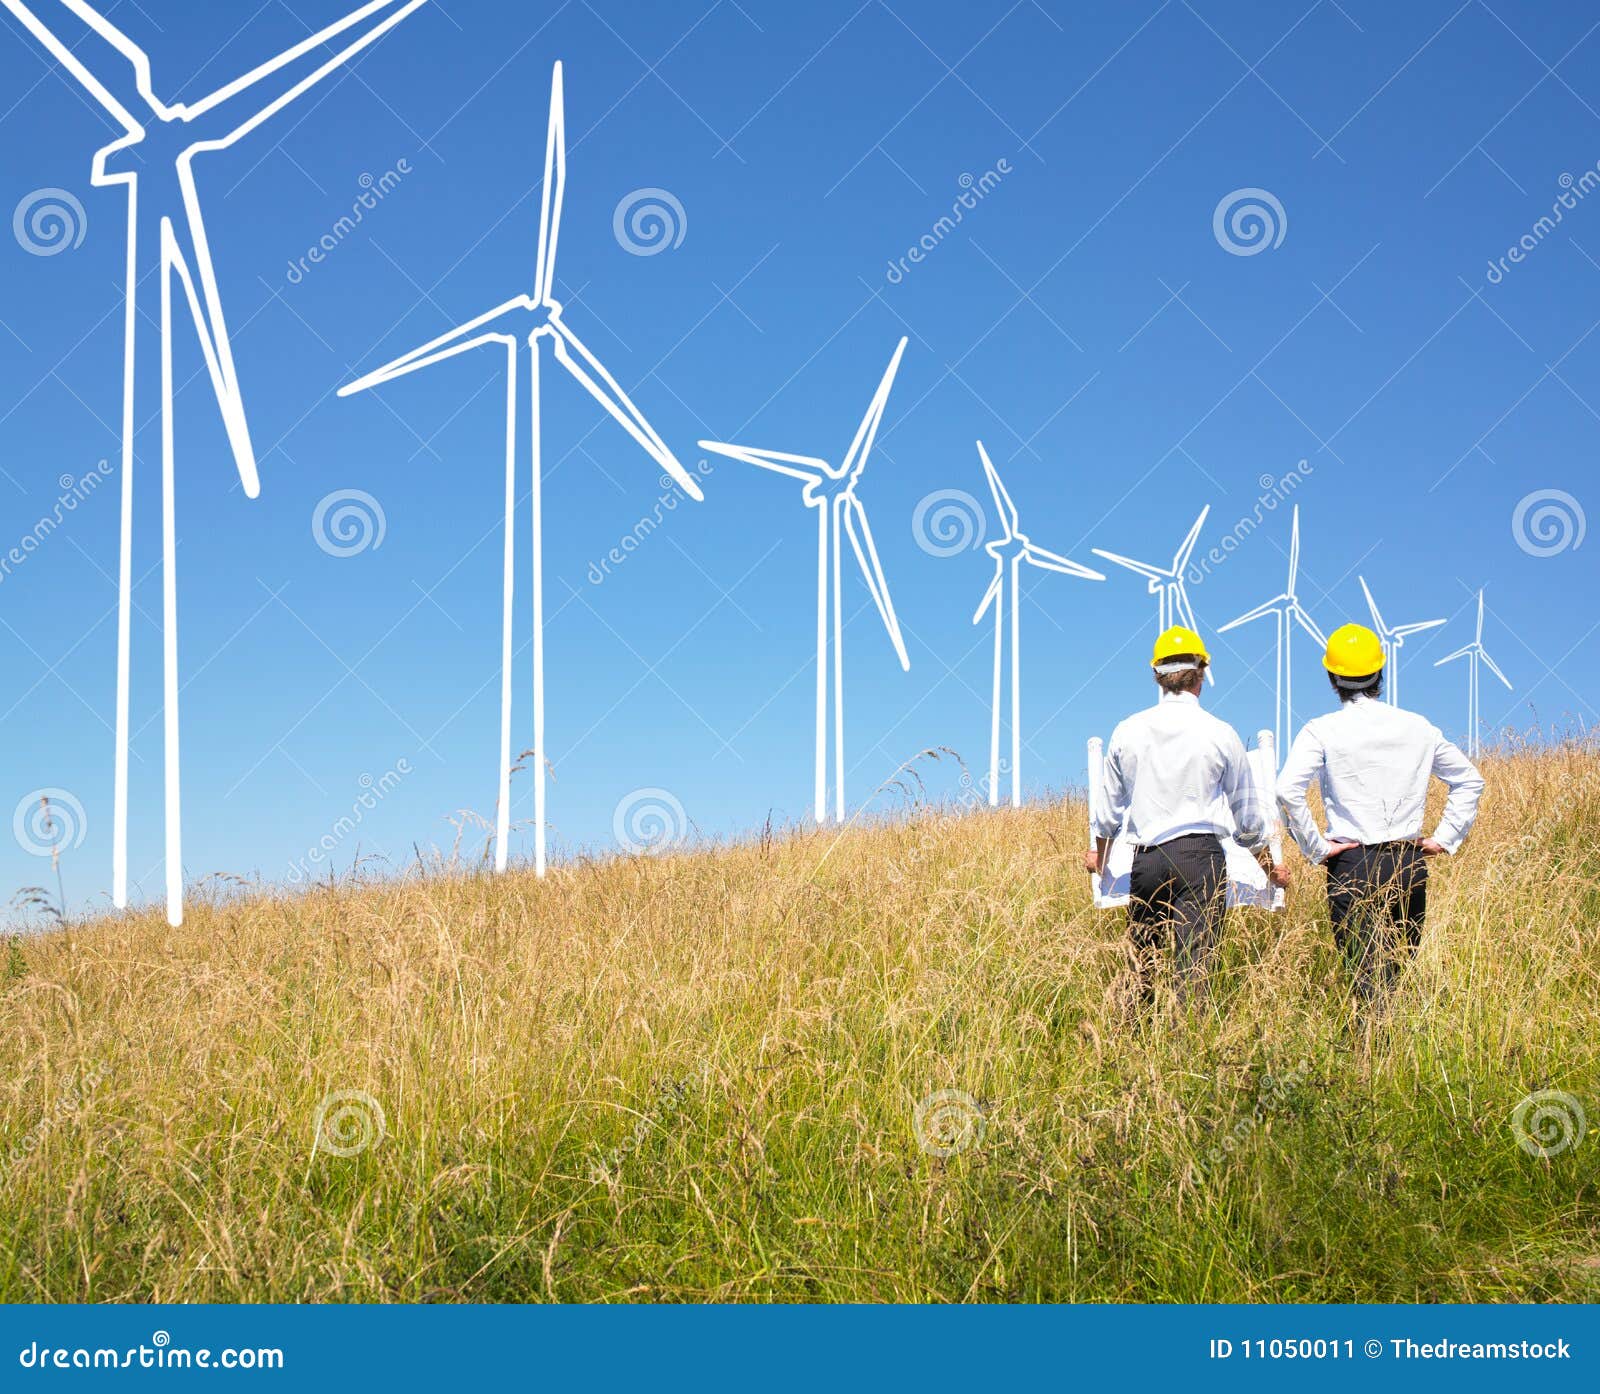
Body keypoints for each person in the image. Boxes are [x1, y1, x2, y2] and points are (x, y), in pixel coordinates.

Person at [1276, 623, 1484, 1000]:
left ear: (1332, 676)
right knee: (1397, 976)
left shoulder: (1321, 730)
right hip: (1408, 863)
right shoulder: (1418, 726)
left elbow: (1287, 790)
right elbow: (1470, 781)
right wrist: (1444, 839)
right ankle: (1395, 1051)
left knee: (1365, 982)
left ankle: (1371, 1052)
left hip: (1352, 863)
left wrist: (1316, 848)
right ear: (1380, 671)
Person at [1084, 625, 1285, 999]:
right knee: (1194, 975)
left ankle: (1133, 1048)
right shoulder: (1221, 733)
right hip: (1201, 861)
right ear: (1202, 674)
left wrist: (1101, 857)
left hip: (1147, 862)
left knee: (1141, 972)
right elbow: (1248, 821)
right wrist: (1271, 871)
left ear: (1156, 675)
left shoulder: (1127, 731)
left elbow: (1108, 814)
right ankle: (1186, 1051)